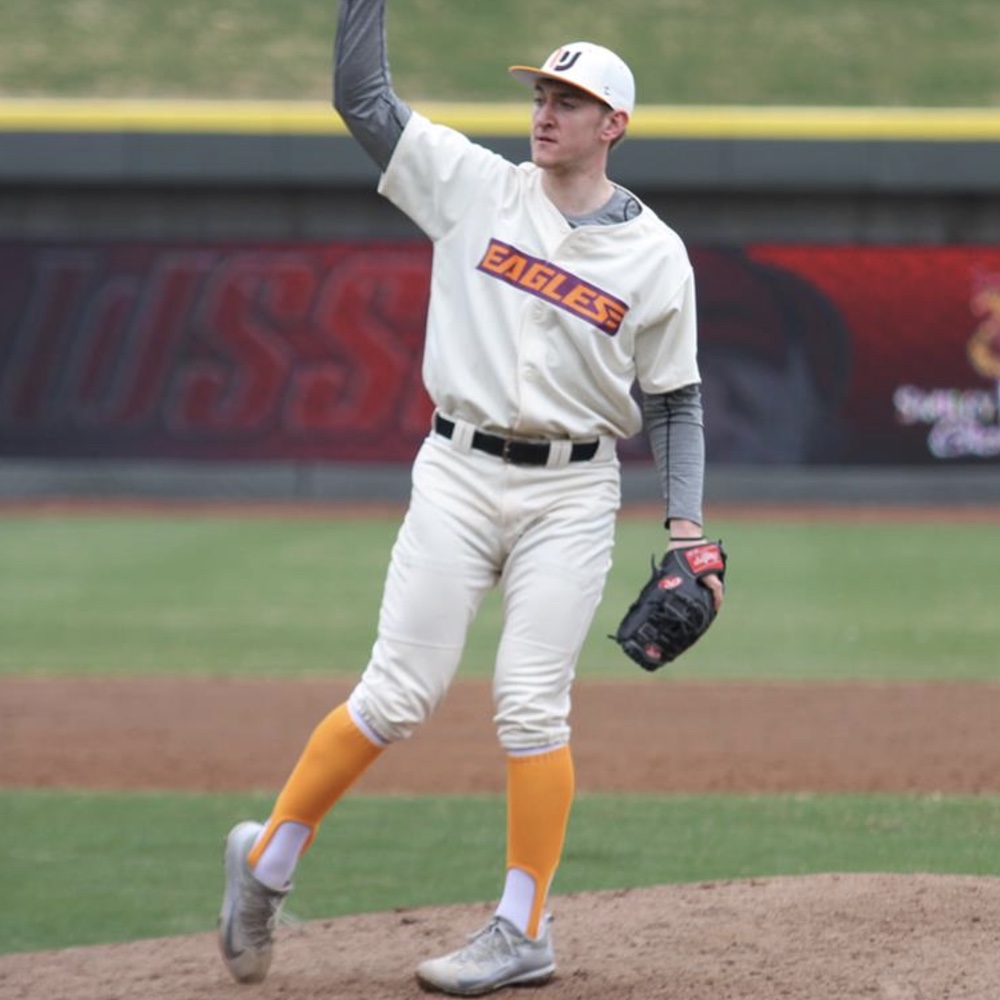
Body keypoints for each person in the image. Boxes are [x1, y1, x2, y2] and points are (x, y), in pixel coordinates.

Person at [218, 1, 724, 995]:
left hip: (573, 491)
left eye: (569, 100)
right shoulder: (472, 187)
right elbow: (358, 99)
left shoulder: (655, 254)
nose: (545, 112)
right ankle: (265, 863)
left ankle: (521, 928)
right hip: (455, 472)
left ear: (612, 124)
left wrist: (686, 526)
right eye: (541, 93)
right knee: (395, 694)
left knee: (533, 707)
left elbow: (674, 399)